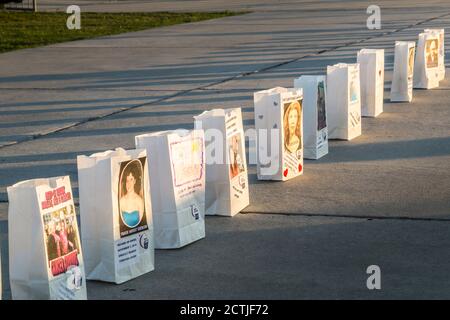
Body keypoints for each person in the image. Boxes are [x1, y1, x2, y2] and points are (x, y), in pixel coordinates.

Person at [119, 160, 145, 228]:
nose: (129, 183)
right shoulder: (121, 201)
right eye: (127, 180)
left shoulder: (139, 201)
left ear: (135, 181)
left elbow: (142, 224)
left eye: (131, 179)